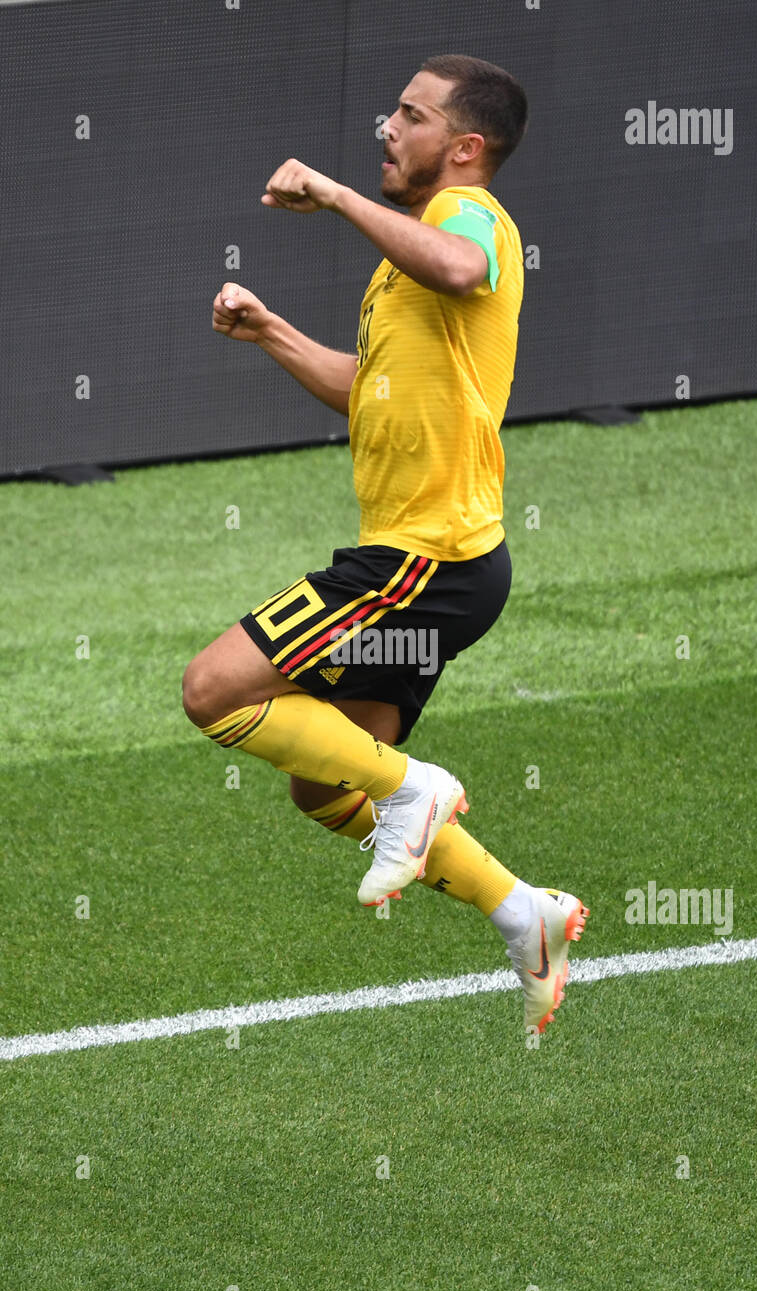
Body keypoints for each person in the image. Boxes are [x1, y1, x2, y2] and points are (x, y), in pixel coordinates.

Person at [182, 55, 588, 1033]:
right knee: (323, 784)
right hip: (444, 561)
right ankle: (521, 910)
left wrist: (329, 194)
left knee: (214, 690)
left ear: (465, 148)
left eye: (410, 116)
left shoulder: (468, 220)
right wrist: (274, 331)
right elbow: (370, 389)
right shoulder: (412, 249)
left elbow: (458, 265)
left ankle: (418, 790)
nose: (386, 128)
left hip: (423, 556)